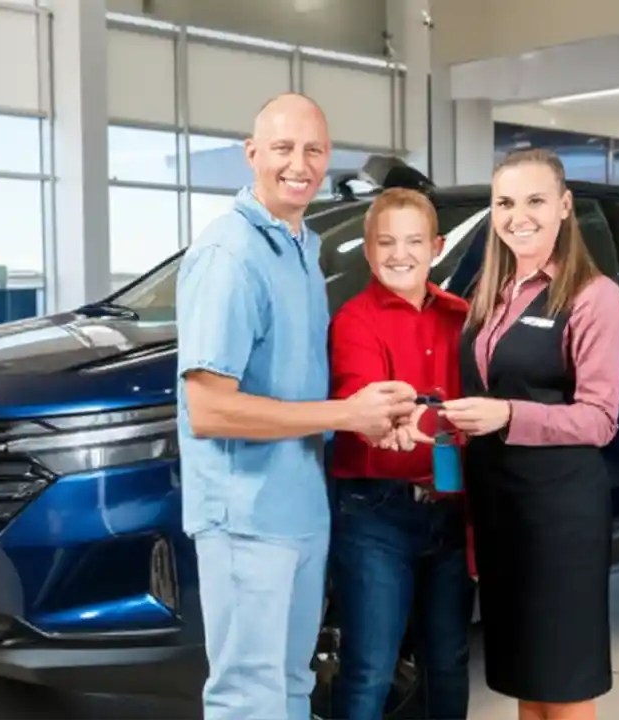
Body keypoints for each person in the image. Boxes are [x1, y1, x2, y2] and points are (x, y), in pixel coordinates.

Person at [175, 93, 418, 720]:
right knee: (247, 696)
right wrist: (345, 415)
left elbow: (299, 384)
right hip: (246, 517)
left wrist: (374, 418)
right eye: (282, 148)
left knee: (290, 687)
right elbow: (209, 409)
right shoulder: (231, 255)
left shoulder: (301, 247)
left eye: (313, 150)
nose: (298, 164)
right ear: (251, 155)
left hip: (300, 508)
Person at [438, 147, 619, 720]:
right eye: (505, 202)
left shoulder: (595, 297)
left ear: (565, 207)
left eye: (535, 201)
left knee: (564, 680)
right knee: (527, 674)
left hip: (560, 514)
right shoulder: (491, 297)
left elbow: (601, 418)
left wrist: (509, 415)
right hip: (501, 510)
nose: (519, 216)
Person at [326, 188, 476, 720]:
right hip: (375, 513)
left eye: (414, 241)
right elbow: (367, 404)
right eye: (386, 242)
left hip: (451, 509)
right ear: (368, 250)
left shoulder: (461, 318)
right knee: (370, 664)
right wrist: (396, 419)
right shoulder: (354, 320)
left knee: (449, 660)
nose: (399, 254)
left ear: (436, 247)